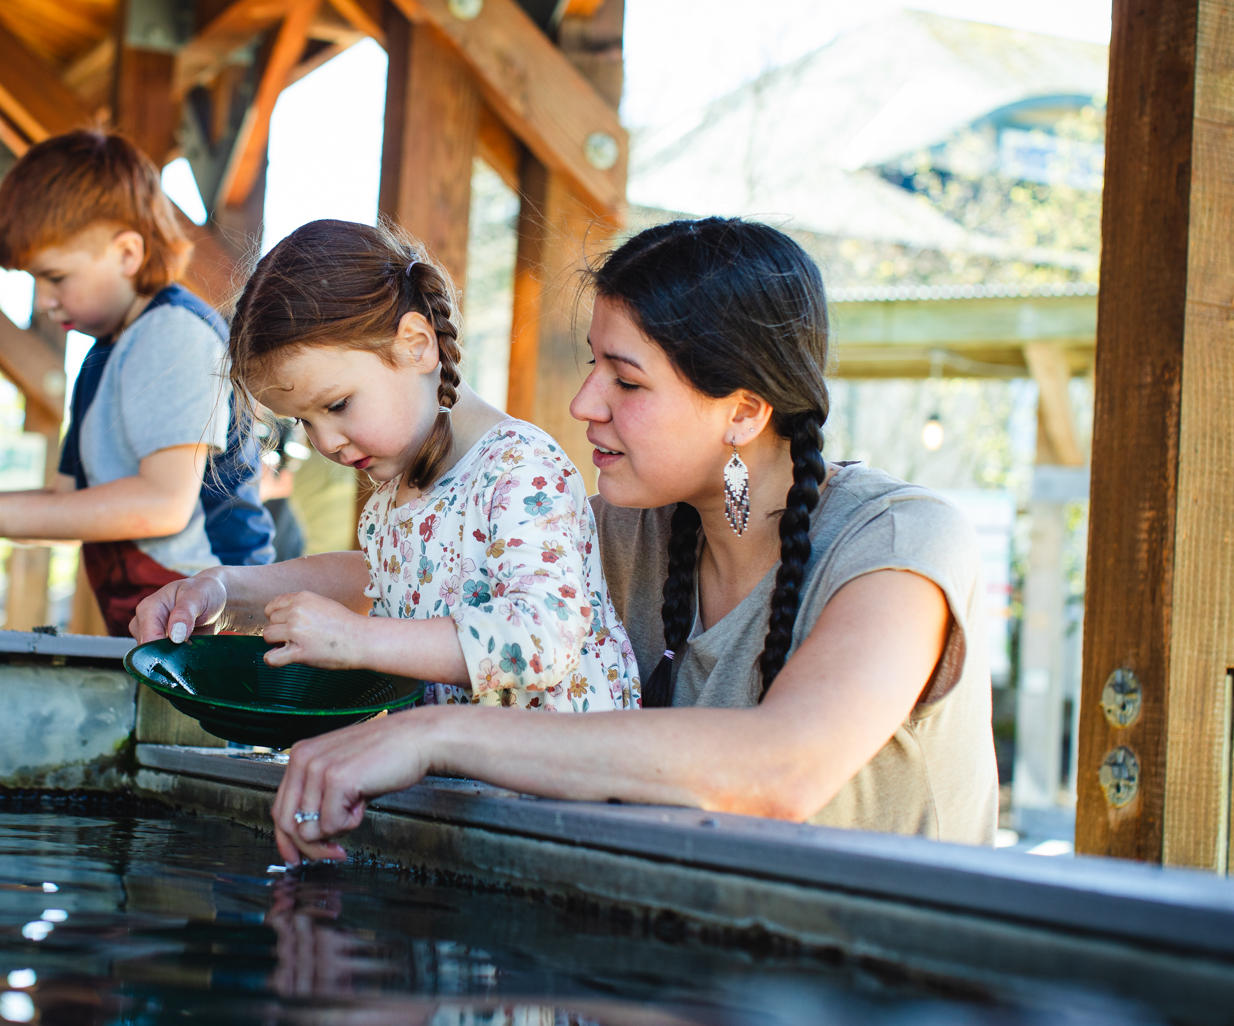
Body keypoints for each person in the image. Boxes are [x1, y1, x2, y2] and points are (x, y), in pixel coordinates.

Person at [140, 217, 997, 862]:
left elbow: (782, 769)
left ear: (744, 408)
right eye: (594, 365)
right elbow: (420, 569)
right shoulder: (632, 530)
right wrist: (232, 591)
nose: (585, 404)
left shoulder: (901, 543)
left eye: (625, 379)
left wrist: (434, 735)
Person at [131, 219, 640, 712]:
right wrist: (222, 590)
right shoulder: (394, 499)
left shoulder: (519, 468)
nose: (325, 441)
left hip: (553, 786)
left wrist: (358, 640)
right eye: (303, 423)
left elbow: (541, 637)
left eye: (336, 405)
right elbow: (379, 578)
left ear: (416, 346)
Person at [0, 131, 274, 635]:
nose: (43, 300)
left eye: (56, 277)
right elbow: (67, 502)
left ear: (128, 253)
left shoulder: (172, 333)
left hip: (217, 622)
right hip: (163, 621)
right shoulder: (103, 353)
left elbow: (161, 504)